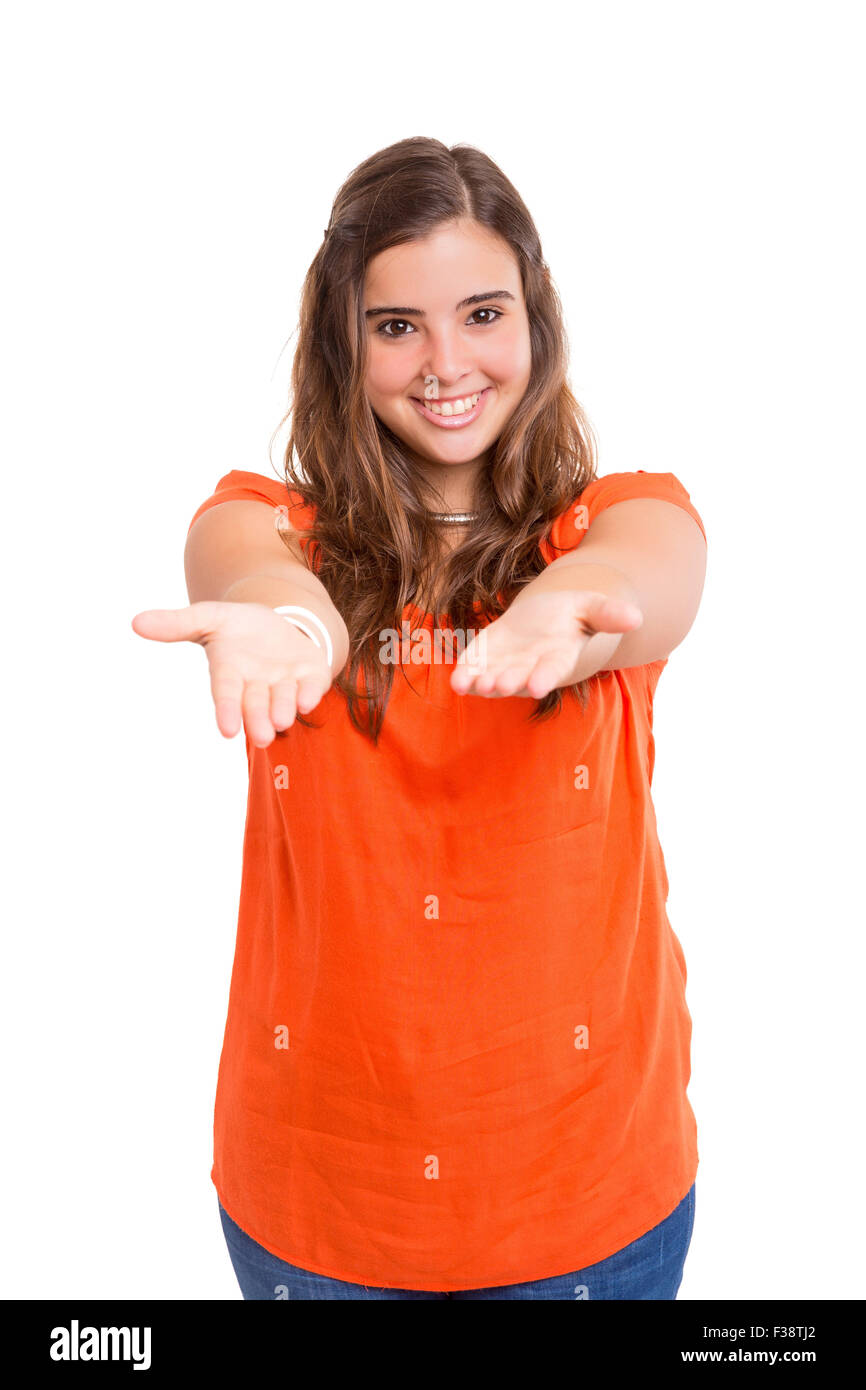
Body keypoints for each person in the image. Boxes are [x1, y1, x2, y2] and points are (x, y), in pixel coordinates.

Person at [132, 137, 707, 1300]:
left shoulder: (614, 523)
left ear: (533, 322)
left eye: (480, 313)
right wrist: (291, 626)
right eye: (396, 326)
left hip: (590, 1199)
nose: (444, 362)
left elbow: (649, 581)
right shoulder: (269, 525)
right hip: (320, 1205)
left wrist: (565, 615)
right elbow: (251, 573)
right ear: (342, 345)